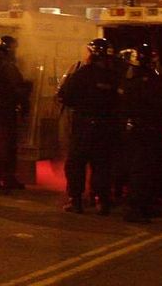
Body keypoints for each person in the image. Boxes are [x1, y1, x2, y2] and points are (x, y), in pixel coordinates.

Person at [58, 38, 119, 215]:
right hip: (106, 126)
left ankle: (76, 201)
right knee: (102, 165)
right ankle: (102, 201)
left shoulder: (82, 74)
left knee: (76, 164)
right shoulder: (114, 76)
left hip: (84, 126)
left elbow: (66, 97)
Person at [117, 45, 162, 223]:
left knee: (138, 170)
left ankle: (140, 205)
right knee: (143, 171)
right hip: (147, 131)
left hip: (133, 130)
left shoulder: (128, 81)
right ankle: (136, 208)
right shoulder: (154, 81)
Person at [0, 36, 30, 194]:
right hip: (4, 110)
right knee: (2, 146)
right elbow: (17, 88)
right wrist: (25, 103)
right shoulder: (7, 66)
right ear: (9, 49)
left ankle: (8, 178)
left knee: (8, 145)